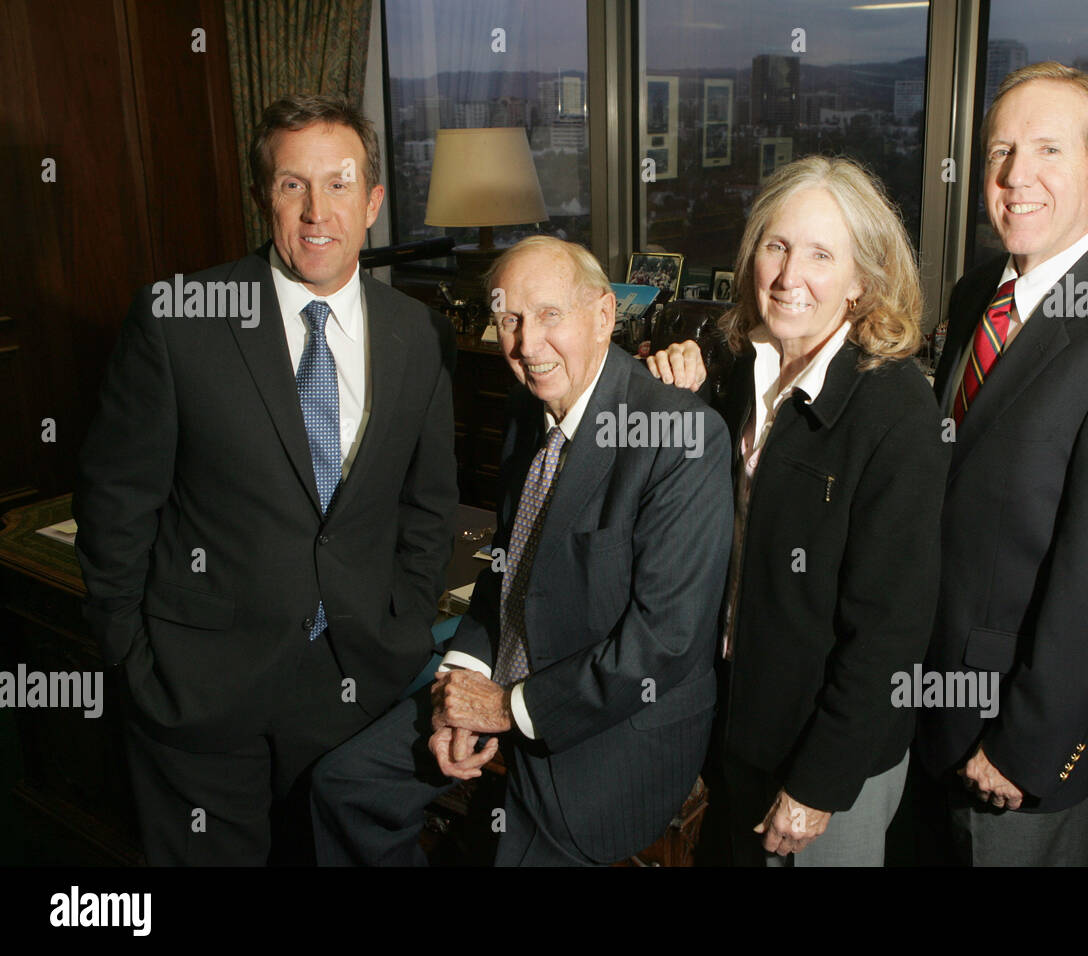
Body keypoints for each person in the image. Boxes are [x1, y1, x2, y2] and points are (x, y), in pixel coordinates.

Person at [72, 94, 459, 865]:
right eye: (292, 185)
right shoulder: (178, 318)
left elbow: (428, 506)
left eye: (340, 184)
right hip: (199, 694)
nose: (318, 211)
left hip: (353, 689)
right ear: (263, 198)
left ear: (374, 200)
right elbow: (116, 507)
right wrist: (132, 661)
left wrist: (402, 627)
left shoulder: (416, 333)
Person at [310, 236, 733, 866]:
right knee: (343, 784)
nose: (527, 345)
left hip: (614, 729)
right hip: (506, 671)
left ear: (603, 316)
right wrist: (464, 681)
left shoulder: (682, 437)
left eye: (550, 315)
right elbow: (510, 568)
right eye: (509, 318)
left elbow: (663, 644)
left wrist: (507, 708)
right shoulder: (528, 405)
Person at [916, 62, 1088, 865]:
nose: (1014, 176)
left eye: (1047, 151)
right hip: (934, 706)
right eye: (1001, 150)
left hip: (1014, 742)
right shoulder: (979, 293)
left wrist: (1025, 748)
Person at [648, 156, 948, 866]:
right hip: (734, 717)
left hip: (825, 751)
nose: (789, 276)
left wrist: (818, 785)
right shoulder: (732, 368)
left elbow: (890, 631)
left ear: (862, 280)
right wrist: (671, 401)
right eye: (776, 246)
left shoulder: (895, 408)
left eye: (820, 254)